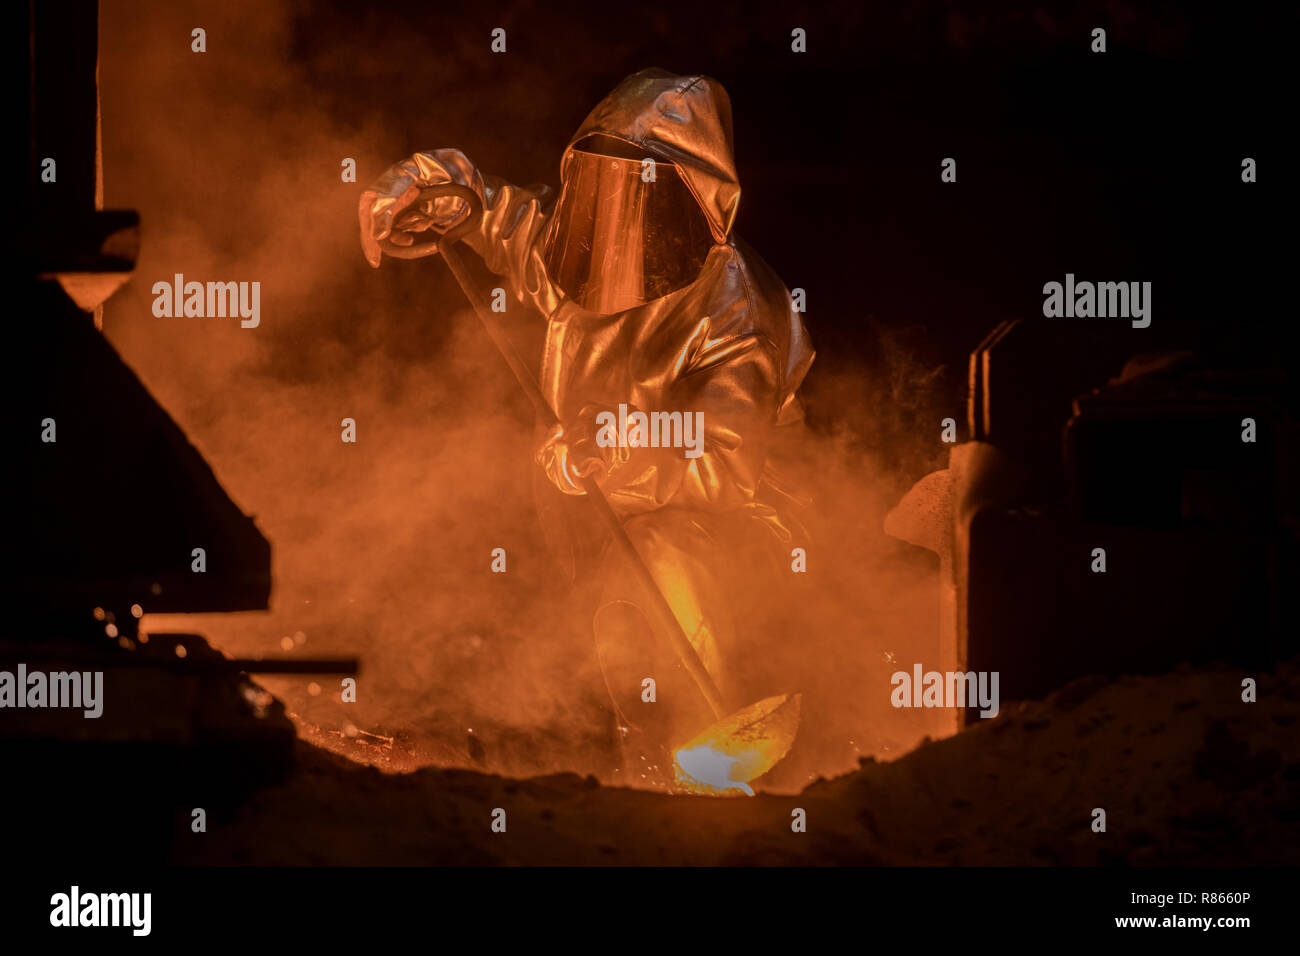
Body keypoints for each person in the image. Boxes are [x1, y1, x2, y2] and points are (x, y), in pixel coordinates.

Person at [359, 68, 814, 786]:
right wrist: (431, 187)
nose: (614, 226)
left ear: (696, 202)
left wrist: (617, 447)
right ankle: (610, 764)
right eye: (600, 194)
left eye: (639, 199)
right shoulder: (579, 256)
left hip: (735, 533)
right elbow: (498, 216)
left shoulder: (736, 310)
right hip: (599, 510)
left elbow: (722, 458)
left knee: (665, 550)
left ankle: (712, 754)